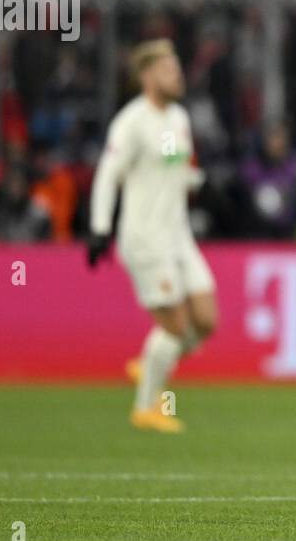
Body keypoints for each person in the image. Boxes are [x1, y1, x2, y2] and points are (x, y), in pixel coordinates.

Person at [87, 39, 217, 433]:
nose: (176, 76)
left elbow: (175, 165)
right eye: (168, 69)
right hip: (145, 238)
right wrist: (99, 228)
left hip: (179, 236)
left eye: (177, 68)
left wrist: (202, 182)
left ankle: (151, 363)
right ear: (146, 76)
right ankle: (146, 407)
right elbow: (109, 175)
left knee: (206, 321)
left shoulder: (177, 118)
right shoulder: (131, 122)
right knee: (176, 328)